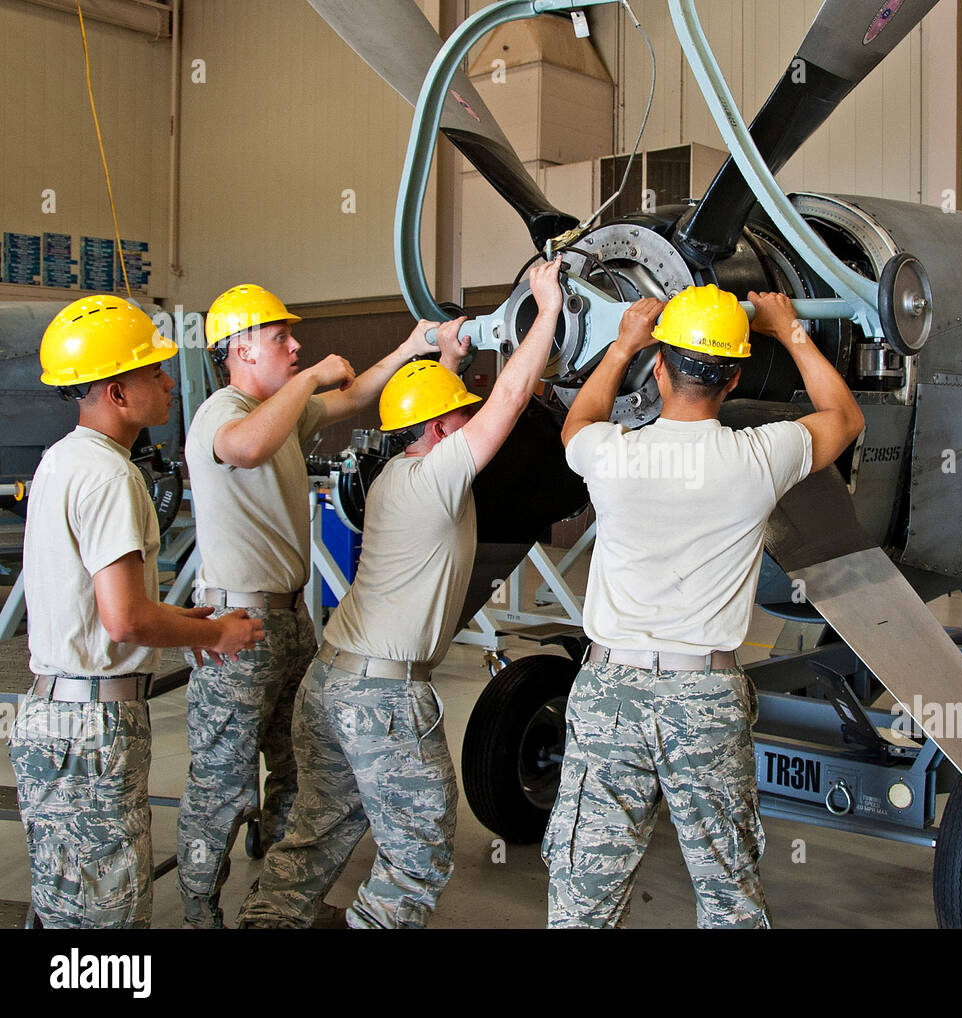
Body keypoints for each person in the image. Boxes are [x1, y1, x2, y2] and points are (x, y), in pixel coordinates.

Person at [237, 259, 565, 928]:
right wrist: (549, 307)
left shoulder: (395, 473)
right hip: (384, 700)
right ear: (442, 431)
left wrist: (445, 355)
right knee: (418, 856)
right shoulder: (444, 475)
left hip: (328, 680)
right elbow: (509, 399)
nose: (470, 421)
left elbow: (442, 412)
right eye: (457, 416)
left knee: (312, 839)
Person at [545, 285, 864, 927]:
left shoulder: (611, 455)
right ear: (735, 377)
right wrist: (790, 329)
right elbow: (845, 418)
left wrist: (622, 345)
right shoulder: (758, 457)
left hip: (610, 692)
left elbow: (576, 424)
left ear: (659, 369)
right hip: (705, 697)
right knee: (727, 896)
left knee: (583, 894)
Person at [178, 282, 448, 927]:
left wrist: (413, 347)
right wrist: (313, 378)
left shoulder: (275, 409)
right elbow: (244, 447)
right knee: (221, 782)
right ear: (239, 349)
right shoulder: (222, 412)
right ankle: (196, 914)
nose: (296, 347)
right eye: (280, 338)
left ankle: (271, 904)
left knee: (296, 768)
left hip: (290, 617)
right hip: (238, 624)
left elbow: (353, 396)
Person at [9, 295, 263, 929]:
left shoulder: (61, 460)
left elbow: (104, 610)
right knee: (109, 922)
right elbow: (124, 619)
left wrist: (186, 624)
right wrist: (218, 633)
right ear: (118, 392)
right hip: (94, 726)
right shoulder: (109, 478)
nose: (170, 382)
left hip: (54, 712)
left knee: (67, 906)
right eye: (154, 372)